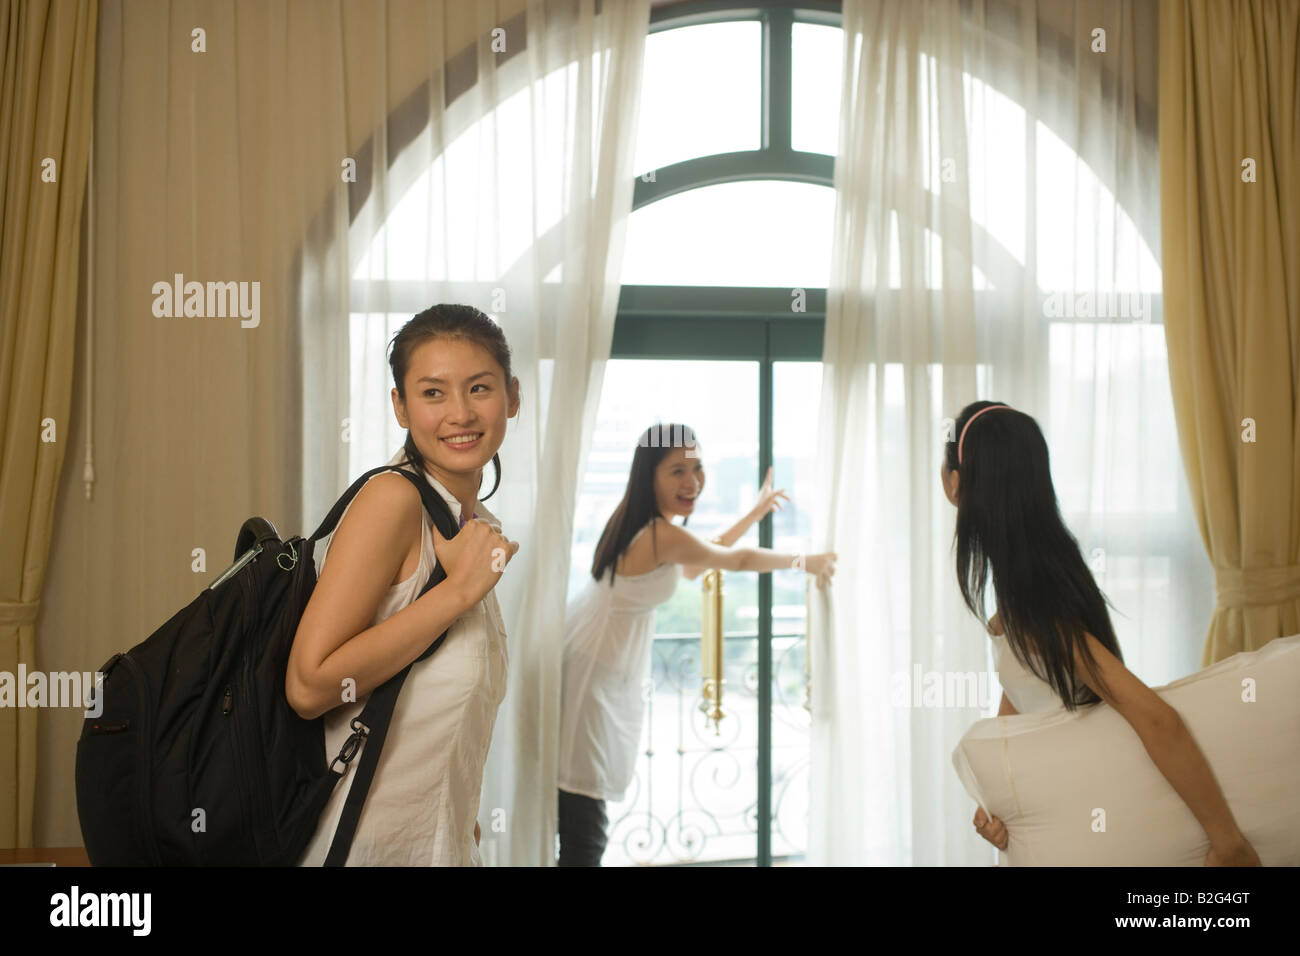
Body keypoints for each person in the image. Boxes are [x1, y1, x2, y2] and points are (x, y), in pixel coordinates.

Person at [940, 400, 1260, 866]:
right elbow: (1025, 689)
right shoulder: (1023, 590)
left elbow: (1156, 718)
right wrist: (1001, 799)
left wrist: (1228, 843)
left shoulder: (1037, 609)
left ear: (956, 484)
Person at [287, 304, 520, 865]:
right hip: (359, 849)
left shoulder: (474, 529)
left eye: (479, 388)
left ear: (512, 396)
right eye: (433, 393)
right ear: (400, 406)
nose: (460, 413)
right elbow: (309, 685)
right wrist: (458, 593)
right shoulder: (393, 502)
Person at [556, 423, 836, 866]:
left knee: (582, 824)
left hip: (589, 666)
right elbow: (734, 559)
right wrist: (809, 561)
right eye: (677, 471)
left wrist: (756, 513)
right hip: (590, 680)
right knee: (584, 830)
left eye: (698, 468)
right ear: (650, 476)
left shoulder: (646, 527)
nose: (693, 482)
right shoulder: (660, 534)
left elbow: (704, 555)